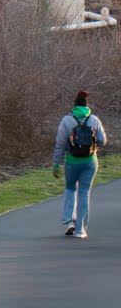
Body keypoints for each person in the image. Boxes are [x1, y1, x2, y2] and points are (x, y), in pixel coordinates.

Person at [53, 91, 107, 239]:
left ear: (75, 106)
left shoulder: (66, 120)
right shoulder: (94, 120)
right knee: (84, 192)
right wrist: (92, 145)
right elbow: (103, 141)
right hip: (90, 162)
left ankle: (69, 222)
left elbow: (60, 143)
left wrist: (56, 163)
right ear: (87, 106)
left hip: (72, 162)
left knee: (70, 189)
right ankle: (80, 229)